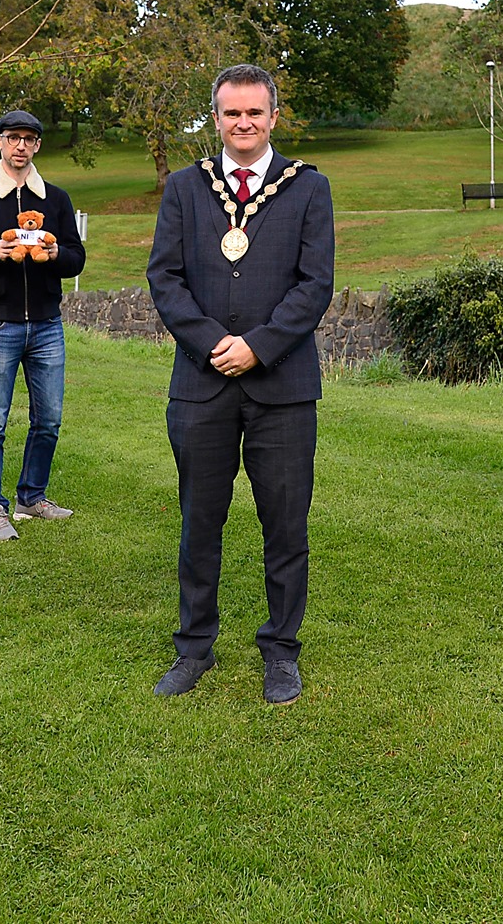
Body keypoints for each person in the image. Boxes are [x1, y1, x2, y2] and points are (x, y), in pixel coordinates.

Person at [145, 64, 334, 705]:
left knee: (286, 526)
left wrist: (257, 346)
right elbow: (164, 278)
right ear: (216, 118)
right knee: (200, 521)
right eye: (231, 114)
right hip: (201, 387)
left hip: (283, 389)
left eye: (254, 113)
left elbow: (315, 285)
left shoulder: (309, 189)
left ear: (273, 117)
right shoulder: (184, 188)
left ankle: (281, 650)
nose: (243, 124)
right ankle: (194, 648)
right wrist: (210, 344)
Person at [0, 109, 87, 542]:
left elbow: (76, 259)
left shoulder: (56, 200)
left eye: (29, 138)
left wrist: (54, 251)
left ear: (38, 145)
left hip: (46, 325)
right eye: (12, 137)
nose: (21, 145)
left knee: (50, 419)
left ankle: (31, 496)